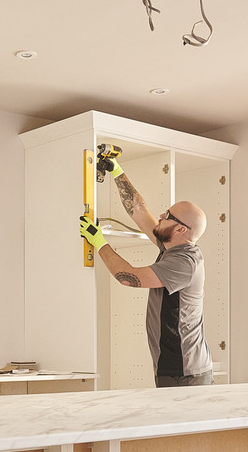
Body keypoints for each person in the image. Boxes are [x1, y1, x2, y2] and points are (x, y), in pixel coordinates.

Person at [76, 157, 214, 387]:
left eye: (167, 216)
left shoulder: (184, 262)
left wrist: (99, 241)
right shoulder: (171, 245)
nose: (161, 216)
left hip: (185, 371)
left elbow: (128, 277)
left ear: (180, 229)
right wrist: (117, 171)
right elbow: (139, 209)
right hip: (175, 367)